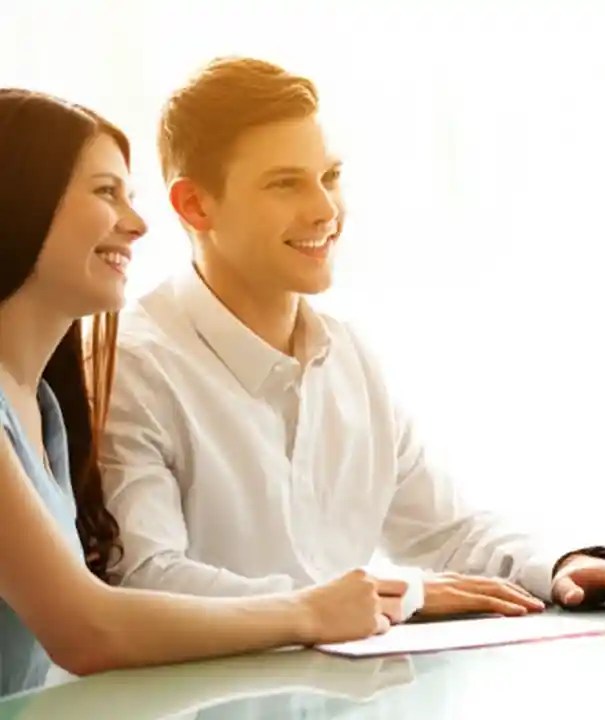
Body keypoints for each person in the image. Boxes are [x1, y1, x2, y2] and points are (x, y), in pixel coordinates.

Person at [99, 56, 605, 616]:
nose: (326, 209)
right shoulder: (129, 366)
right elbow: (150, 580)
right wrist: (400, 597)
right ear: (196, 205)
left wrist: (565, 564)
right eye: (286, 184)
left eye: (330, 176)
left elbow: (447, 531)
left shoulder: (348, 355)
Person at [0, 88, 406, 698]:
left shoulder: (45, 408)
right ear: (19, 199)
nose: (136, 226)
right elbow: (87, 630)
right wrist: (308, 612)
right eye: (106, 192)